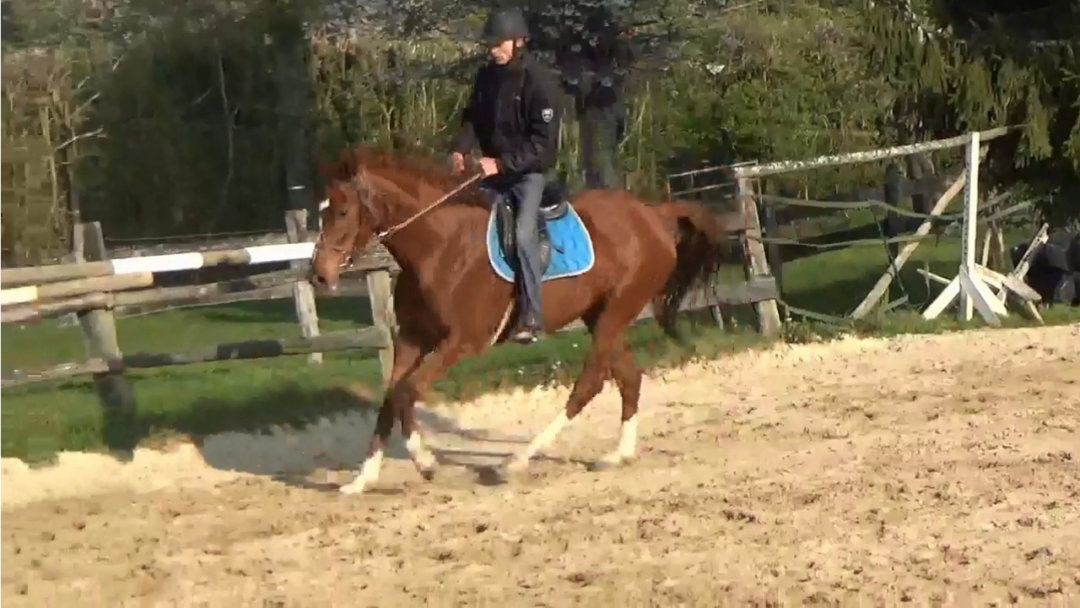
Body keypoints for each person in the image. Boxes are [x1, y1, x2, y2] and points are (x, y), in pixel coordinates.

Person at [450, 7, 562, 344]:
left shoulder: (540, 82)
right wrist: (460, 148)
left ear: (518, 41)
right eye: (490, 44)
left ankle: (532, 317)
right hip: (491, 172)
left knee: (524, 234)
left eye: (497, 43)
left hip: (528, 176)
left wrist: (501, 165)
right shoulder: (487, 77)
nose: (492, 49)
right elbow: (472, 117)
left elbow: (544, 147)